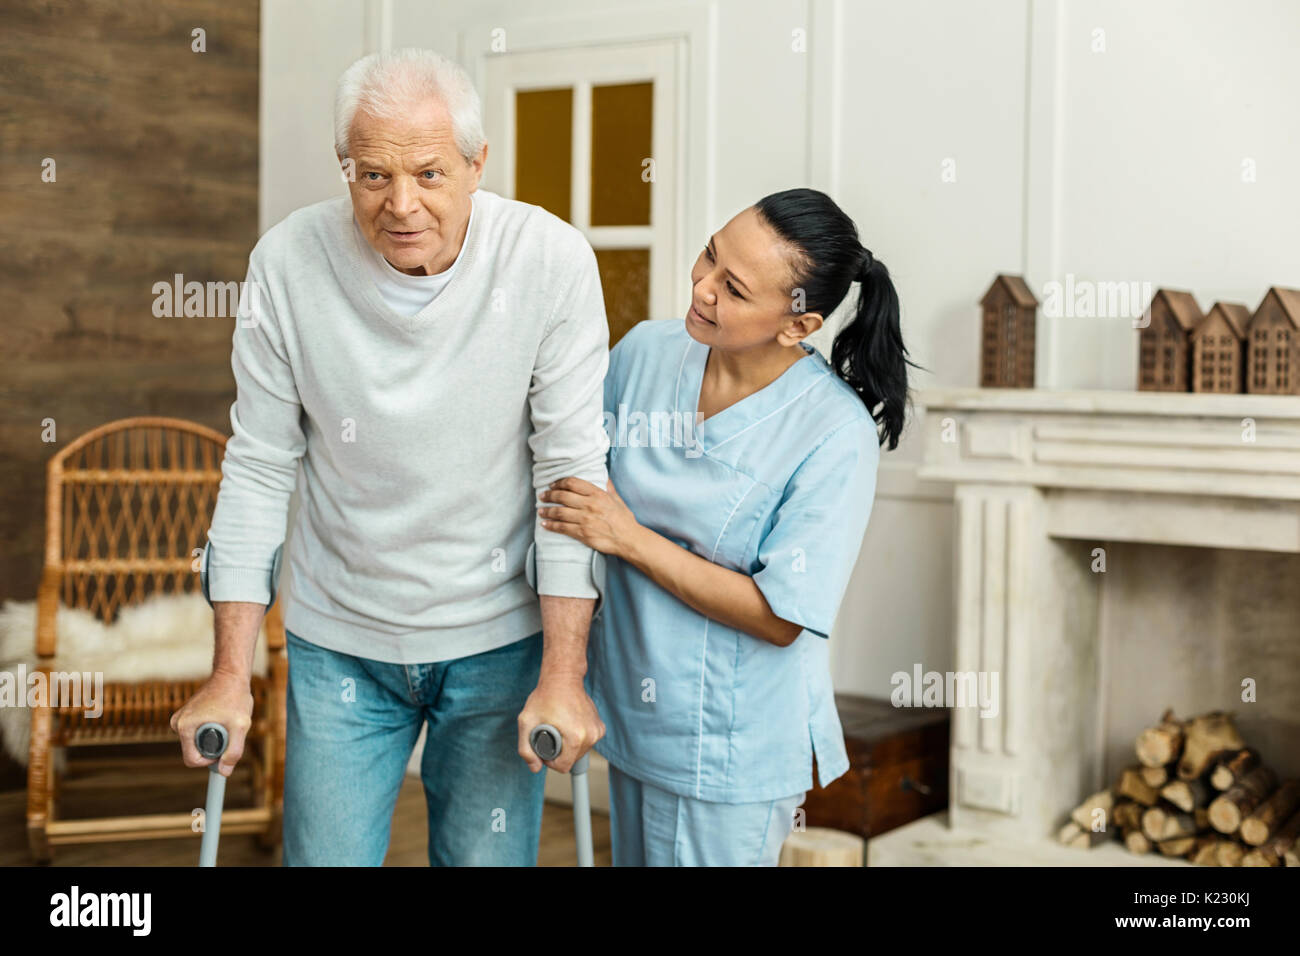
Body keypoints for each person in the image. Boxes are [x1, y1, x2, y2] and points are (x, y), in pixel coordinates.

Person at [169, 48, 610, 866]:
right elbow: (260, 465)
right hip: (341, 635)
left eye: (430, 175)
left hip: (496, 638)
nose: (400, 205)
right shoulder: (287, 264)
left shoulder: (548, 263)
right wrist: (230, 671)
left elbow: (568, 476)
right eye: (372, 175)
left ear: (479, 165)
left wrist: (563, 671)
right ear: (345, 167)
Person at [537, 188, 915, 865]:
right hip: (630, 709)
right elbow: (569, 475)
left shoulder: (834, 434)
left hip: (730, 746)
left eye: (734, 289)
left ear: (797, 325)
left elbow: (780, 617)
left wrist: (627, 536)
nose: (702, 287)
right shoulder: (648, 353)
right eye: (710, 254)